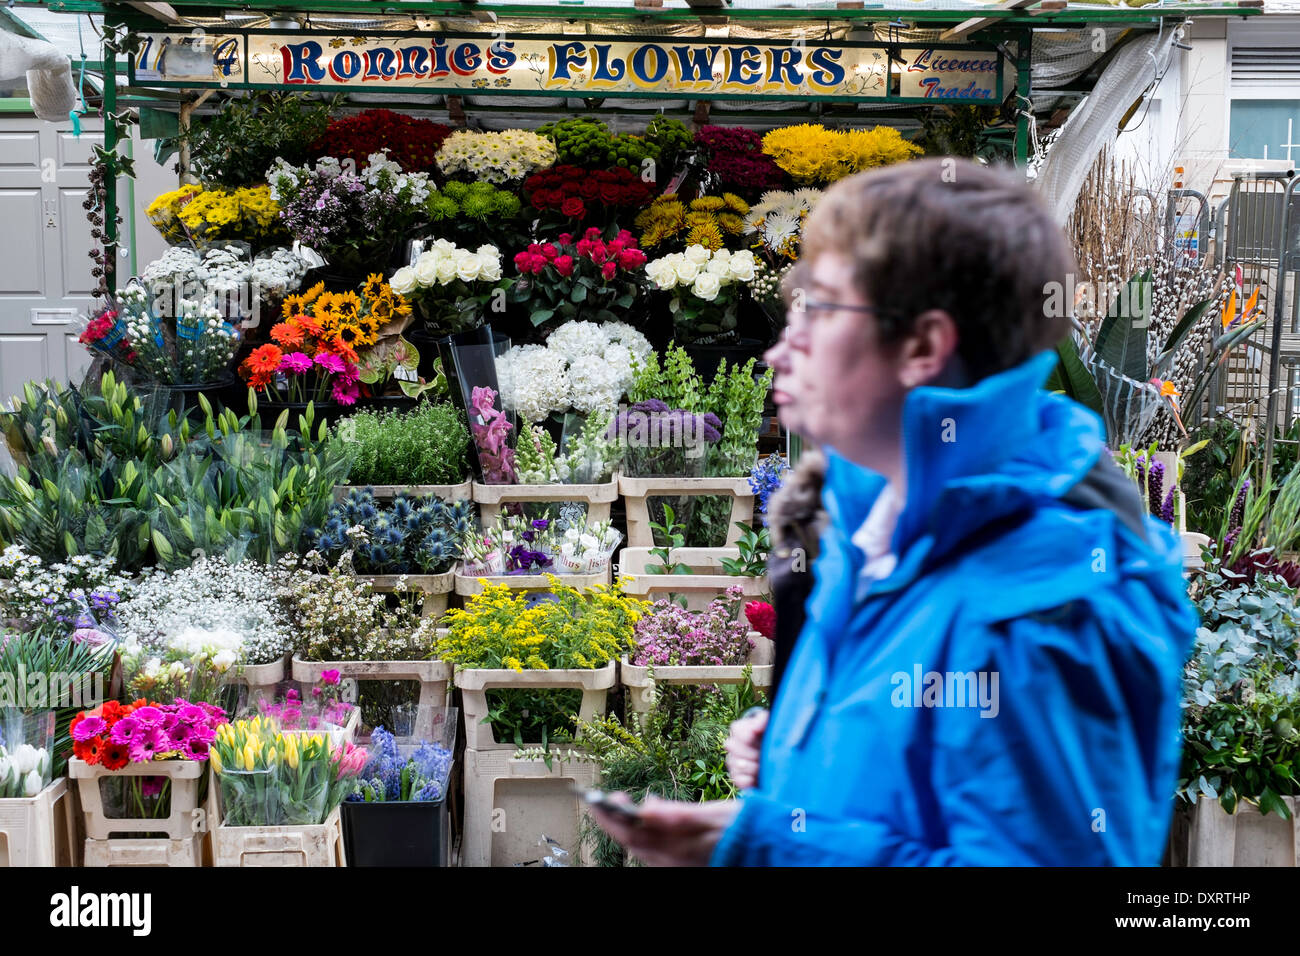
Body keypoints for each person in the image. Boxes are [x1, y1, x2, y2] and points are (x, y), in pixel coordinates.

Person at [590, 158, 1197, 866]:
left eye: (817, 309)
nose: (780, 350)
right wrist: (806, 755)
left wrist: (769, 841)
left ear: (922, 346)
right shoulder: (876, 519)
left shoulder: (1048, 608)